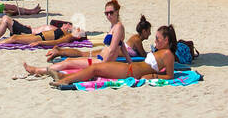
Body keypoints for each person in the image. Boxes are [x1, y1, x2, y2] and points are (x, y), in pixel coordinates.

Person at [46, 24, 179, 87]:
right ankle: (64, 76)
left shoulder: (167, 54)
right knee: (99, 69)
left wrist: (152, 76)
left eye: (157, 39)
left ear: (166, 41)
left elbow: (170, 76)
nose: (155, 41)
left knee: (95, 69)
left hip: (130, 72)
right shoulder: (161, 52)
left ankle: (65, 81)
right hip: (129, 67)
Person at [0, 21, 83, 49]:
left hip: (39, 38)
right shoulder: (62, 31)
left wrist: (40, 42)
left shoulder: (68, 36)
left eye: (71, 26)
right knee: (14, 38)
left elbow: (57, 42)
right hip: (38, 36)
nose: (68, 24)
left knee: (15, 38)